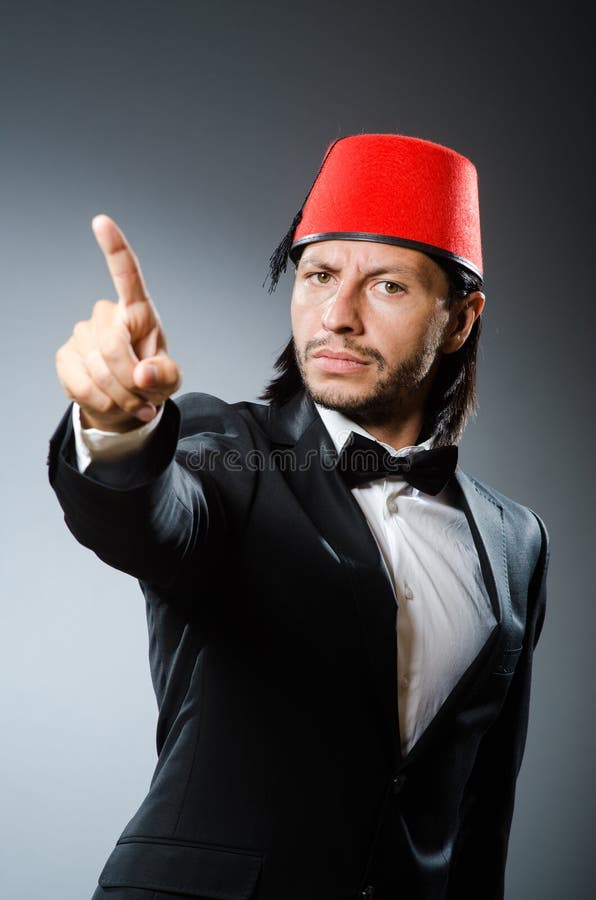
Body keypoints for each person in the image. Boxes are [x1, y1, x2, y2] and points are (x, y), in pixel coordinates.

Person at [48, 134, 549, 900]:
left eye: (386, 287)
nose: (337, 315)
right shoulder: (226, 453)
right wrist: (116, 429)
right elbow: (152, 515)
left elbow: (482, 814)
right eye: (318, 275)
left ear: (459, 319)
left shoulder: (517, 541)